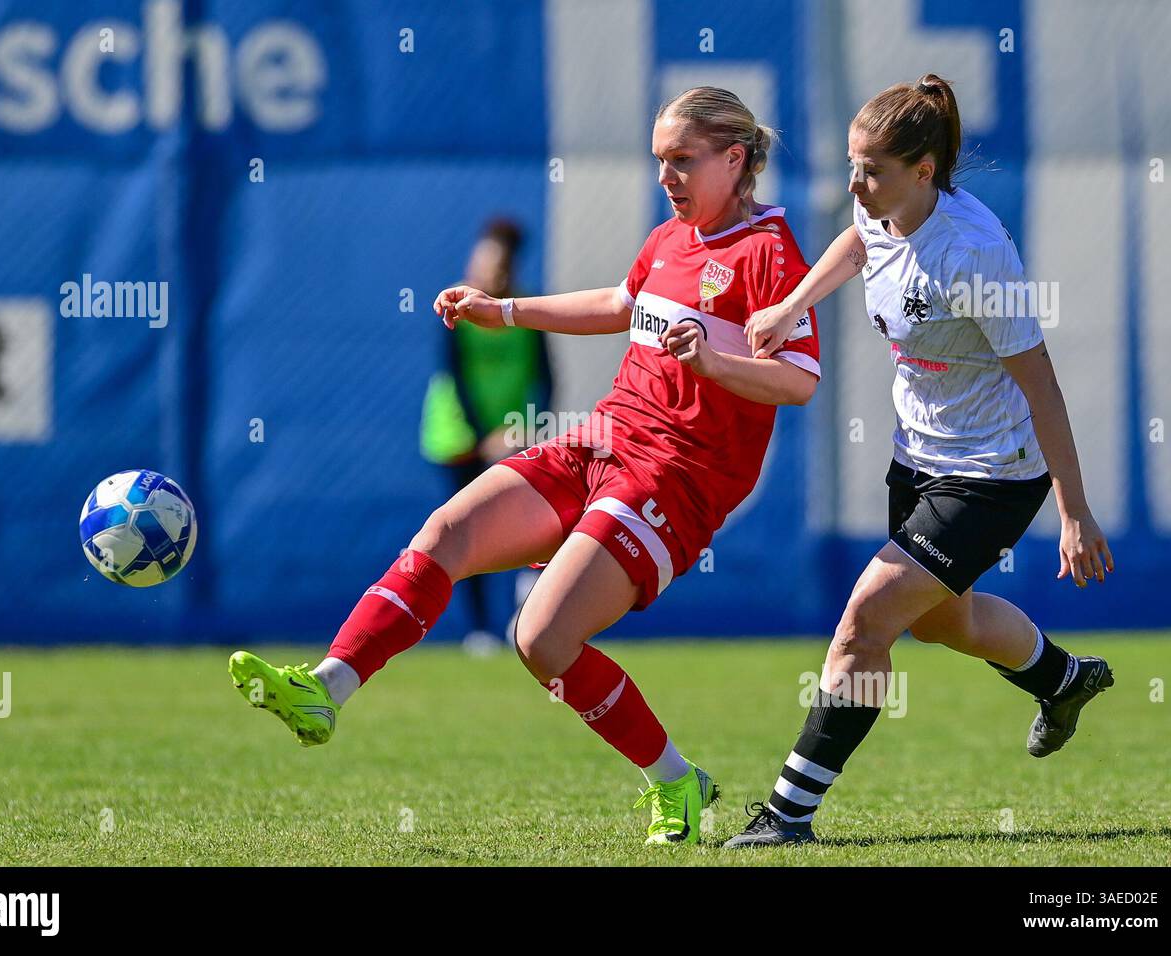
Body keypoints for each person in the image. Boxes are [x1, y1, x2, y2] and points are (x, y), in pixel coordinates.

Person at [229, 86, 822, 846]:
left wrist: (711, 360)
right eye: (659, 162)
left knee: (539, 638)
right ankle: (325, 689)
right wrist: (501, 310)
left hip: (677, 477)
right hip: (603, 440)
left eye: (683, 160)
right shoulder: (669, 238)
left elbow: (800, 381)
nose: (667, 177)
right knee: (447, 532)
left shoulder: (771, 252)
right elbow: (618, 302)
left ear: (734, 159)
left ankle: (675, 783)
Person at [725, 75, 1115, 849]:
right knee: (947, 623)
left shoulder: (976, 253)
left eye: (870, 170)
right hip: (918, 458)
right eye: (850, 164)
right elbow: (855, 242)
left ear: (926, 170)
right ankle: (1062, 679)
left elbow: (1043, 388)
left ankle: (788, 815)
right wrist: (791, 304)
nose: (853, 184)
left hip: (994, 474)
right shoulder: (882, 211)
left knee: (865, 623)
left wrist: (1073, 511)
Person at [419, 218, 553, 651]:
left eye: (496, 264)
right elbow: (453, 374)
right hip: (460, 436)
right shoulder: (455, 304)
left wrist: (531, 426)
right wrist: (483, 437)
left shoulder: (524, 307)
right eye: (481, 259)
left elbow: (545, 374)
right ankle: (479, 630)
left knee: (529, 523)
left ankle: (527, 605)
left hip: (511, 434)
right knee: (463, 532)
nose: (484, 269)